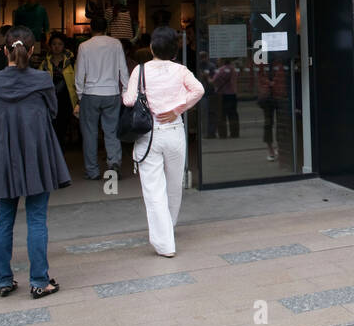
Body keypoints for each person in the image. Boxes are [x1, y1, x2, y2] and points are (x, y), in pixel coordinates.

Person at [0, 25, 71, 299]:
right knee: (36, 219)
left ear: (5, 50)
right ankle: (39, 281)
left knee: (3, 219)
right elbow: (53, 112)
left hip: (3, 153)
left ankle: (4, 281)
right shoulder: (42, 79)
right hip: (35, 152)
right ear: (32, 50)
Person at [122, 26, 203, 257]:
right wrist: (177, 108)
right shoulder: (181, 70)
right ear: (175, 49)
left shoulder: (140, 70)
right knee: (174, 185)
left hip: (148, 135)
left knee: (153, 189)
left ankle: (165, 242)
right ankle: (169, 227)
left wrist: (124, 94)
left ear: (151, 47)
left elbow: (129, 101)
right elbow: (199, 90)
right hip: (174, 130)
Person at [74, 14, 129, 180]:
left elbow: (79, 73)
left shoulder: (84, 46)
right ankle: (114, 164)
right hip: (112, 92)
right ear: (107, 28)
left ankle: (92, 171)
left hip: (90, 94)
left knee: (89, 133)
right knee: (111, 131)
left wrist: (79, 95)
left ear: (91, 28)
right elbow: (123, 70)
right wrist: (125, 91)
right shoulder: (116, 44)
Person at [41, 32, 78, 146]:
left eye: (60, 44)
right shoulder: (45, 63)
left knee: (62, 129)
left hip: (67, 100)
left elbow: (79, 79)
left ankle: (59, 155)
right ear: (50, 46)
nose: (57, 47)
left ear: (64, 46)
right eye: (54, 44)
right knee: (52, 129)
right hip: (51, 100)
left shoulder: (71, 62)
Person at [212, 58, 240, 138]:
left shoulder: (221, 70)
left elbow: (213, 80)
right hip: (233, 94)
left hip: (223, 95)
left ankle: (223, 134)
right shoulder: (234, 69)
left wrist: (207, 78)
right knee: (233, 114)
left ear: (222, 61)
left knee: (222, 115)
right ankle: (235, 133)